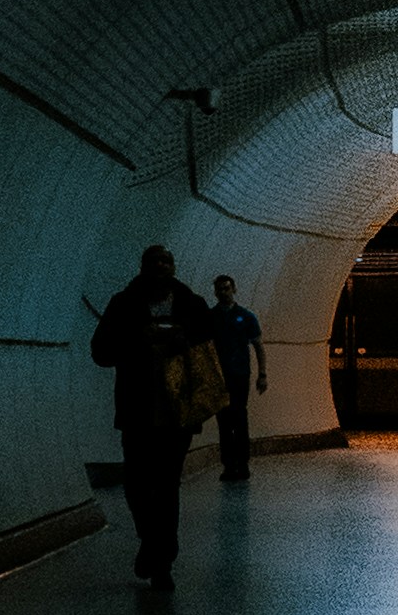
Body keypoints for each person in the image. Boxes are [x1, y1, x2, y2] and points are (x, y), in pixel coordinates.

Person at [90, 240, 217, 589]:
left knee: (165, 485)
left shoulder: (192, 304)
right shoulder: (124, 304)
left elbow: (212, 343)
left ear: (173, 267)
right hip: (138, 409)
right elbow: (100, 351)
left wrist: (184, 339)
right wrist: (136, 338)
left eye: (167, 260)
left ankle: (162, 560)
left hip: (178, 411)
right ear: (144, 267)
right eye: (155, 260)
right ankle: (153, 542)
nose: (161, 266)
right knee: (136, 485)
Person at [209, 269, 267, 485]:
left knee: (238, 418)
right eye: (220, 289)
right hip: (220, 376)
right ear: (216, 292)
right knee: (225, 420)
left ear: (233, 289)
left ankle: (241, 463)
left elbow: (258, 346)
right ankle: (229, 463)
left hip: (239, 374)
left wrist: (262, 374)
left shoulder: (246, 317)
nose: (224, 293)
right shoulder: (211, 317)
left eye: (226, 288)